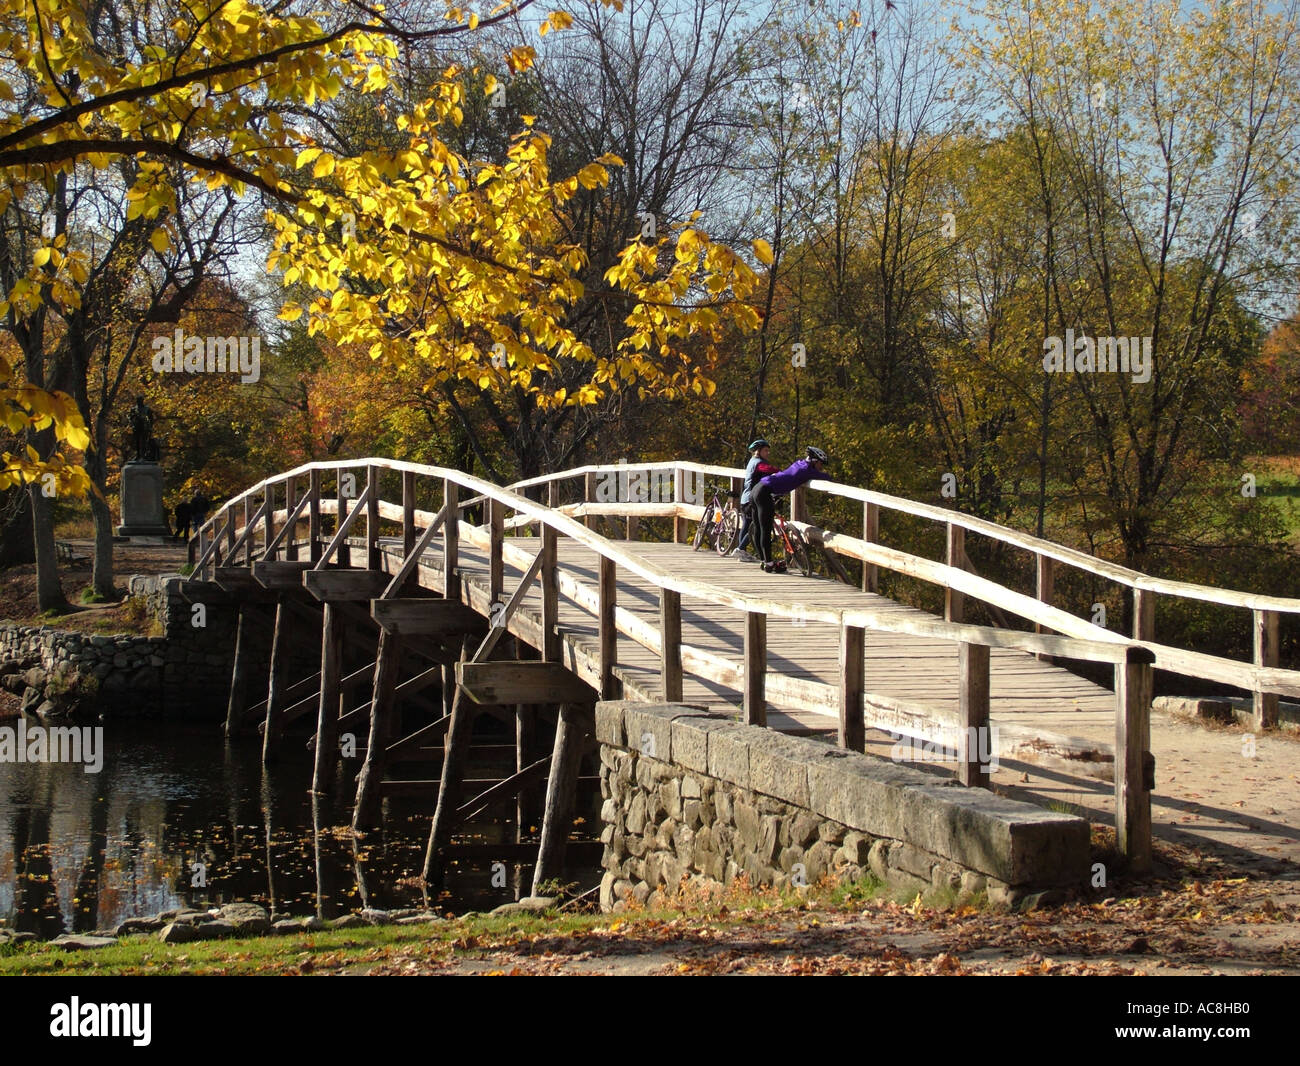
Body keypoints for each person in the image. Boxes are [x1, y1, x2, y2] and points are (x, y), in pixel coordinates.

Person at [752, 445, 831, 573]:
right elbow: (826, 477)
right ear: (814, 461)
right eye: (821, 464)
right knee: (765, 529)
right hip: (764, 492)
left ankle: (764, 561)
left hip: (757, 488)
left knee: (758, 528)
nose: (821, 467)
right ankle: (769, 563)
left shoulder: (800, 463)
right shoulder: (807, 470)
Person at [733, 438, 778, 557]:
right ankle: (740, 549)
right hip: (751, 499)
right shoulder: (759, 463)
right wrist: (783, 473)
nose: (768, 453)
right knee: (755, 525)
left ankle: (741, 552)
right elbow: (769, 470)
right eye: (765, 450)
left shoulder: (752, 461)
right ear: (758, 451)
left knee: (747, 525)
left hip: (745, 499)